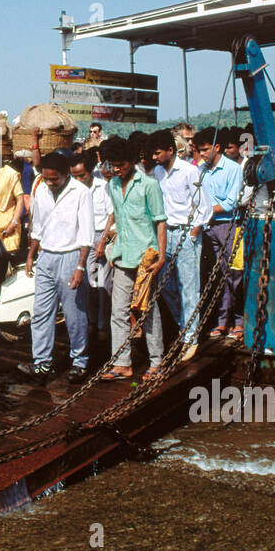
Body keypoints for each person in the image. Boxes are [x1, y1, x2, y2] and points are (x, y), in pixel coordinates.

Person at [96, 137, 168, 379]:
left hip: (146, 258)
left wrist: (161, 256)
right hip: (122, 256)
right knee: (118, 311)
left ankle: (157, 361)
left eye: (121, 165)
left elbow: (160, 221)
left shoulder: (149, 185)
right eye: (113, 165)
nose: (117, 169)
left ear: (132, 161)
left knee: (147, 311)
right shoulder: (113, 186)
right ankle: (122, 363)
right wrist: (107, 245)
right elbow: (116, 216)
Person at [23, 152, 94, 382]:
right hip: (46, 257)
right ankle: (42, 363)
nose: (50, 183)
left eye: (55, 179)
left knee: (75, 314)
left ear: (66, 175)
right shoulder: (41, 190)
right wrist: (31, 255)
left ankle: (79, 361)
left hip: (71, 257)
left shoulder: (81, 193)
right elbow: (38, 226)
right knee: (42, 313)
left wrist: (80, 266)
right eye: (46, 178)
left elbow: (86, 233)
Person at [150, 130, 211, 359]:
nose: (155, 157)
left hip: (187, 232)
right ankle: (184, 325)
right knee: (166, 285)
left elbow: (201, 205)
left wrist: (194, 233)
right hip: (166, 233)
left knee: (189, 286)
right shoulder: (157, 172)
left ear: (171, 150)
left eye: (158, 153)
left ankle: (190, 337)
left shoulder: (189, 171)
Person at [192, 128, 245, 339]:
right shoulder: (200, 171)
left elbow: (231, 203)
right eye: (199, 150)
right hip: (207, 227)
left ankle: (239, 321)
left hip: (229, 226)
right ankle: (222, 321)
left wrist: (205, 209)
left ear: (216, 148)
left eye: (205, 150)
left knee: (234, 274)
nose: (202, 154)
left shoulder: (233, 169)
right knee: (217, 276)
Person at [70, 151, 112, 342]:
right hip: (83, 240)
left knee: (104, 285)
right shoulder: (73, 191)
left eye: (82, 175)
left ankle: (103, 325)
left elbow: (112, 214)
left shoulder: (103, 187)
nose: (79, 179)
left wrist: (103, 240)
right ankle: (91, 321)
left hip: (103, 236)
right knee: (87, 284)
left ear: (90, 172)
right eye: (75, 176)